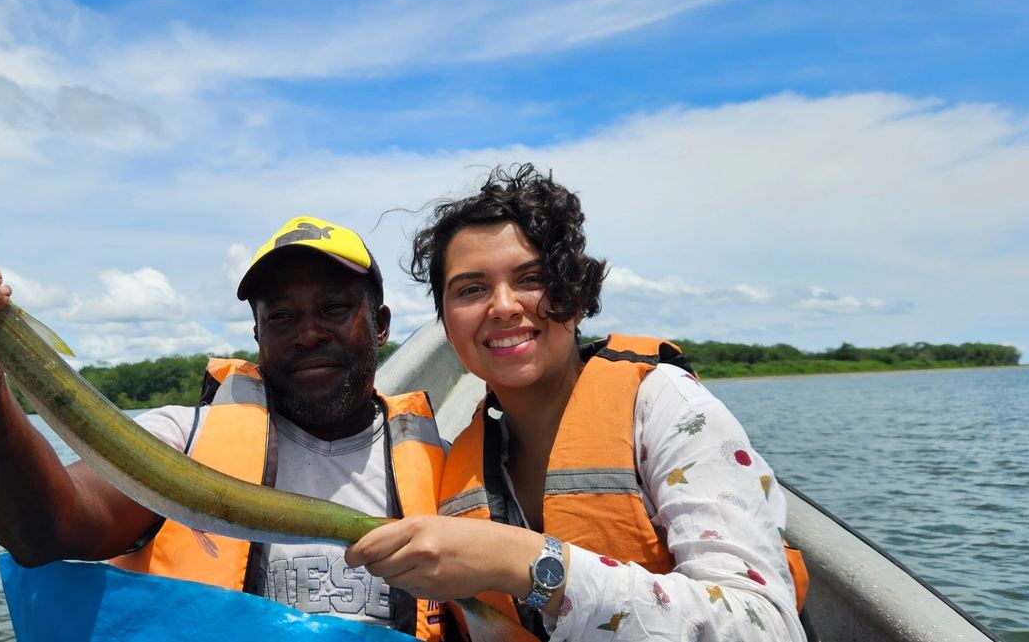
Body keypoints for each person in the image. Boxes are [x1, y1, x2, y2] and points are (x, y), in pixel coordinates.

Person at [0, 213, 454, 639]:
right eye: (281, 316)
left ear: (378, 325)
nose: (307, 333)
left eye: (332, 308)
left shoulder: (452, 465)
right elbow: (44, 529)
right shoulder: (180, 438)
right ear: (257, 337)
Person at [344, 165, 809, 641]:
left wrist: (526, 563)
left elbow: (766, 626)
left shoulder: (666, 409)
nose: (502, 306)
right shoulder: (460, 462)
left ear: (578, 295)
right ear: (446, 320)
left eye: (531, 279)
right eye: (471, 289)